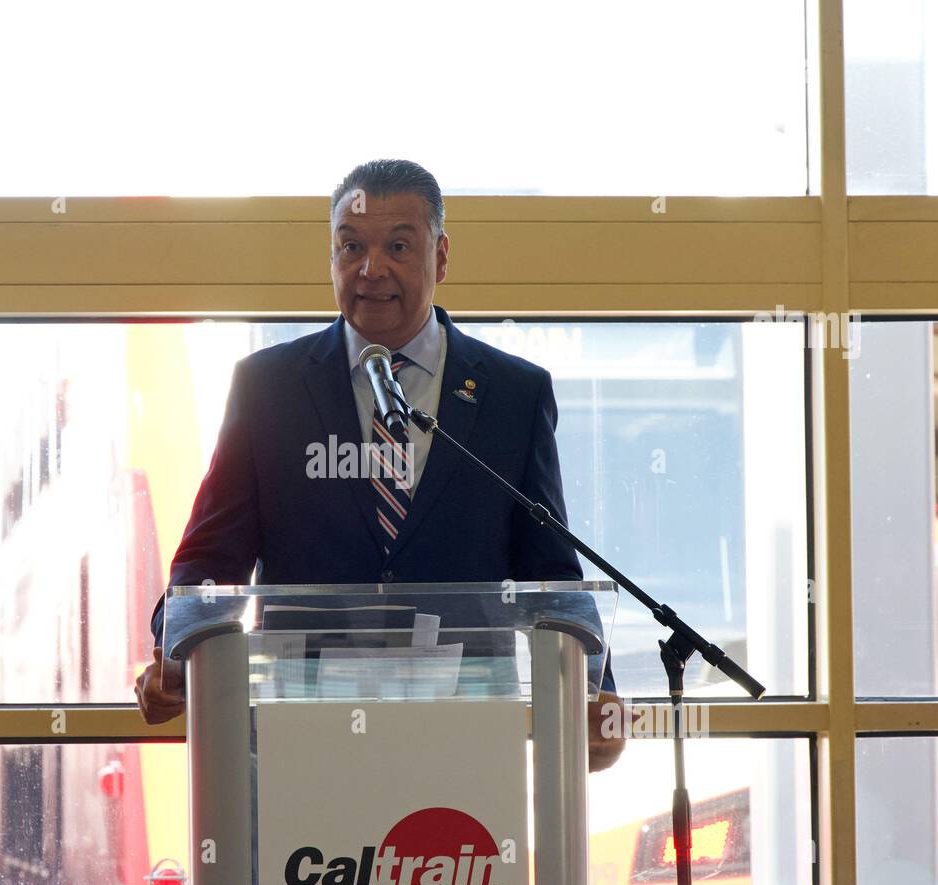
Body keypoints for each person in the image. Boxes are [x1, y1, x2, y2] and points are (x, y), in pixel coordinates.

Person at [136, 158, 625, 772]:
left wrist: (595, 686)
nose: (372, 270)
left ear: (441, 257)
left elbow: (548, 570)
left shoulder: (512, 393)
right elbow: (212, 558)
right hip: (303, 741)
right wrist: (173, 651)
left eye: (398, 246)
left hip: (464, 746)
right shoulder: (269, 388)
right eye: (351, 247)